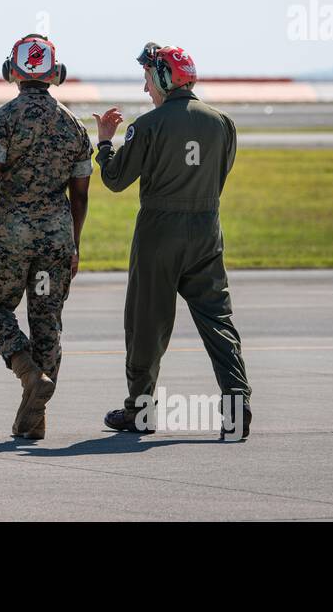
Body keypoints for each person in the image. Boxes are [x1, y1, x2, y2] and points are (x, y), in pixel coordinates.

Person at [92, 43, 253, 440]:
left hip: (159, 233)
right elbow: (220, 173)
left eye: (148, 79)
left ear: (162, 78)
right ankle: (237, 404)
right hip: (206, 231)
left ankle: (140, 412)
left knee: (147, 324)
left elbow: (114, 180)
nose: (146, 89)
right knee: (218, 320)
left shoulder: (148, 125)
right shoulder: (222, 123)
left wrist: (105, 142)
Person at [0, 34, 92, 440]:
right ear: (56, 74)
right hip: (55, 238)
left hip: (9, 234)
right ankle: (35, 416)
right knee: (47, 319)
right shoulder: (75, 128)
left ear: (11, 73)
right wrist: (73, 243)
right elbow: (80, 195)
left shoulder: (2, 121)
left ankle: (27, 371)